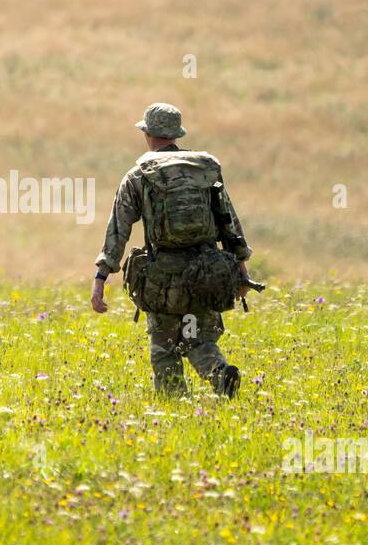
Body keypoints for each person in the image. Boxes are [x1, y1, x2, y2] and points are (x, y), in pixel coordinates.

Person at [91, 102, 254, 397]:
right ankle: (219, 374)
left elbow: (118, 228)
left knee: (165, 348)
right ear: (176, 134)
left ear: (148, 134)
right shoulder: (204, 170)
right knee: (199, 340)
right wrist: (242, 270)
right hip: (207, 271)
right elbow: (229, 221)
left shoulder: (139, 174)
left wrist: (101, 277)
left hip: (163, 278)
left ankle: (173, 407)